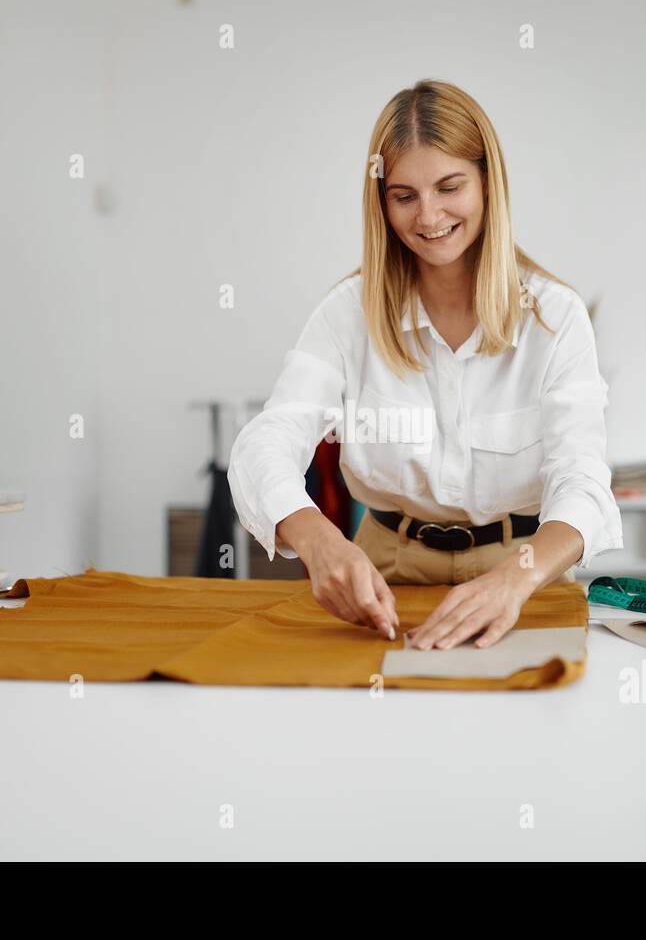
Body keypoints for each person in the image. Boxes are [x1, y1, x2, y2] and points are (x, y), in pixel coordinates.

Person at [229, 79, 623, 651]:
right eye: (404, 195)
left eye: (449, 186)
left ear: (489, 182)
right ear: (381, 202)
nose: (430, 215)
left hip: (523, 574)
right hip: (384, 569)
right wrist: (319, 540)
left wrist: (513, 580)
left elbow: (582, 483)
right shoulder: (347, 313)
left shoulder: (554, 318)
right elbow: (266, 441)